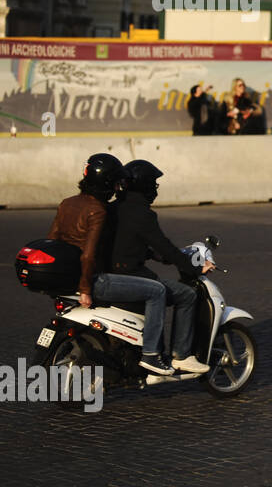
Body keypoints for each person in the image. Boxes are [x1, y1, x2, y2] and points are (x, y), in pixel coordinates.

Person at [108, 160, 212, 376]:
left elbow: (123, 242)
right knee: (186, 294)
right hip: (130, 276)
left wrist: (150, 254)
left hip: (109, 275)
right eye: (153, 183)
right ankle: (180, 356)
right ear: (145, 185)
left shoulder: (114, 208)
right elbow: (166, 247)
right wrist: (195, 268)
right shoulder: (142, 213)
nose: (155, 188)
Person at [46, 154, 122, 311]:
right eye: (115, 184)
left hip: (67, 276)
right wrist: (85, 290)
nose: (117, 190)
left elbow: (51, 242)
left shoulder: (67, 203)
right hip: (90, 278)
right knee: (156, 291)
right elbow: (88, 254)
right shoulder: (98, 210)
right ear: (106, 183)